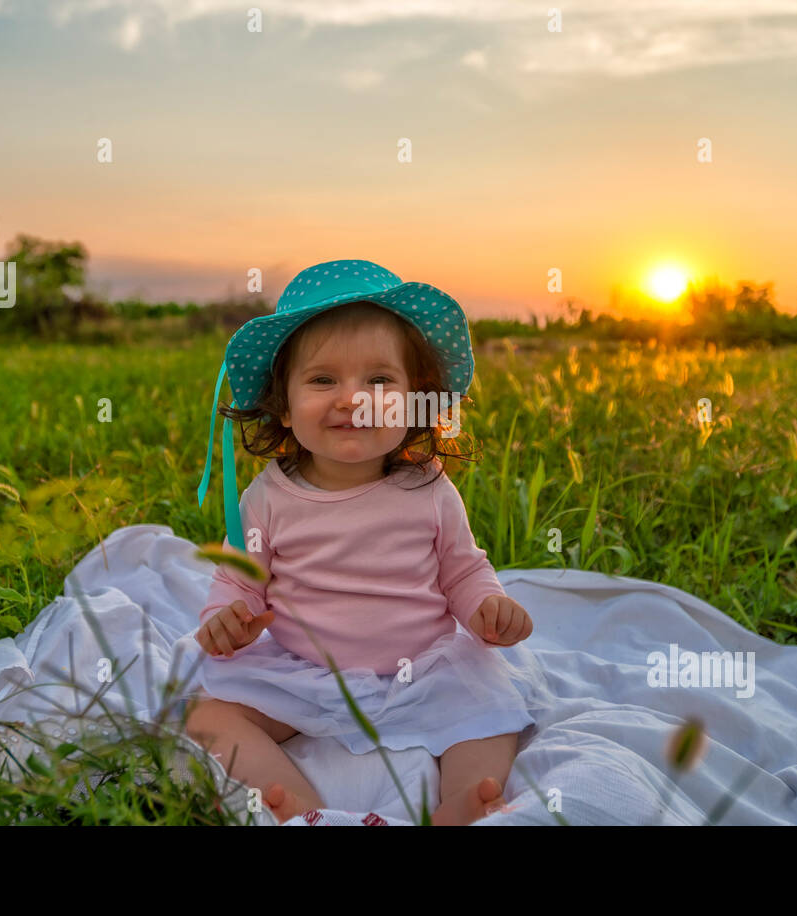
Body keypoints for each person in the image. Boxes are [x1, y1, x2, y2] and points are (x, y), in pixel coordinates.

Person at [187, 259, 554, 825]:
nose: (353, 399)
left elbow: (462, 569)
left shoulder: (427, 487)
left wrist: (487, 606)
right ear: (283, 405)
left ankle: (462, 802)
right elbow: (240, 576)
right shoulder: (269, 496)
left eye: (379, 380)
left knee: (491, 711)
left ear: (415, 401)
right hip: (306, 672)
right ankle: (298, 804)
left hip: (424, 670)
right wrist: (227, 616)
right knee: (209, 719)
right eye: (323, 380)